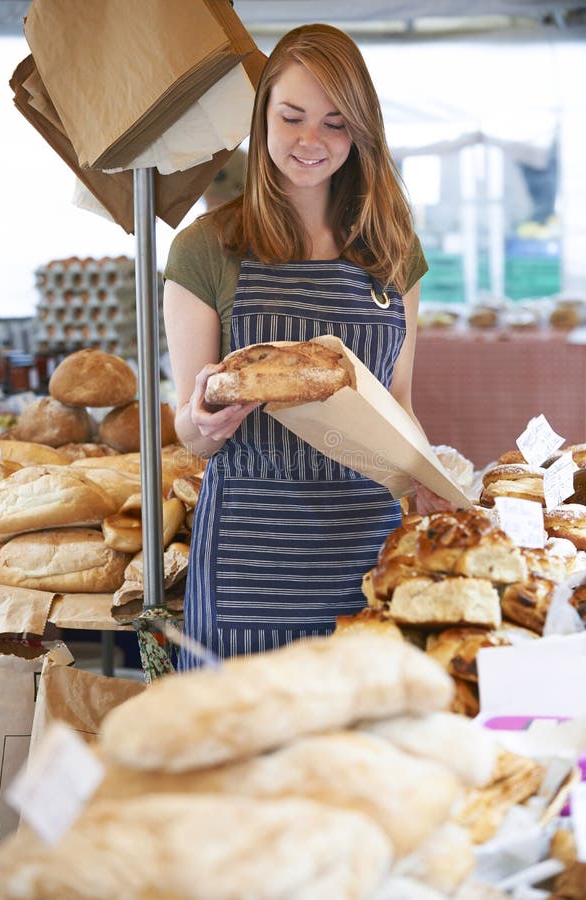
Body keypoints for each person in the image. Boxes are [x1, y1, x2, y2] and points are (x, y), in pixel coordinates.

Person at [163, 23, 452, 669]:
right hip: (249, 559)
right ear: (262, 112)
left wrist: (425, 477)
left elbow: (396, 397)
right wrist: (205, 421)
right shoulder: (205, 248)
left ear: (361, 132)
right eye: (292, 117)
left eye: (336, 123)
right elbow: (191, 430)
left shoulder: (393, 250)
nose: (311, 141)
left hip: (368, 548)